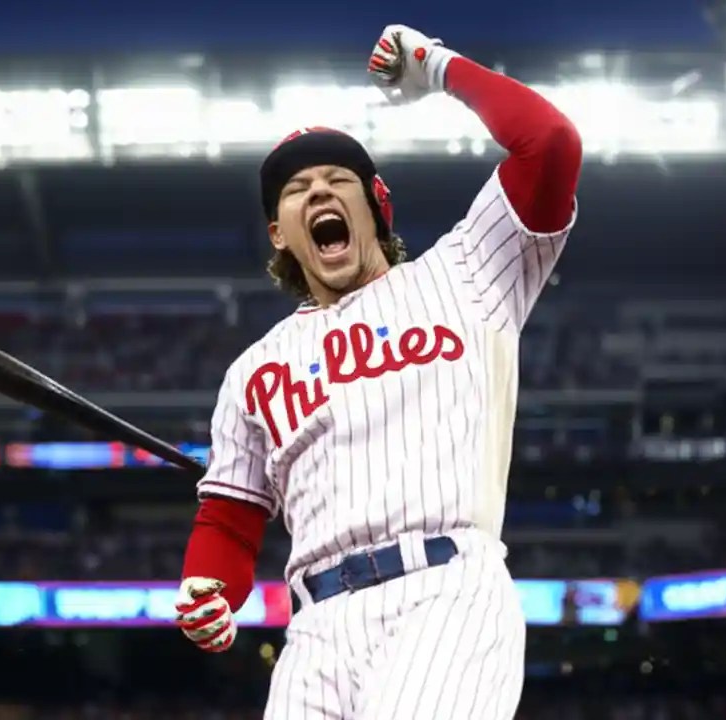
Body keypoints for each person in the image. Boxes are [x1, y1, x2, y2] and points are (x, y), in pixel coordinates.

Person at [173, 23, 582, 719]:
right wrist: (206, 588)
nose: (318, 192)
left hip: (443, 595)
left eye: (338, 181)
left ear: (375, 205)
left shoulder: (465, 274)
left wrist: (436, 65)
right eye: (296, 190)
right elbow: (230, 521)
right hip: (315, 633)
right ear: (279, 234)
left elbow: (551, 143)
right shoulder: (253, 371)